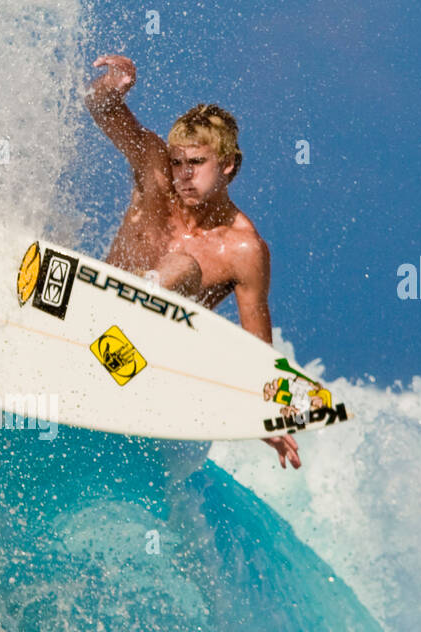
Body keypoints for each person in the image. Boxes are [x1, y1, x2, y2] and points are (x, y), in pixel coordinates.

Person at [85, 54, 300, 470]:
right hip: (91, 325)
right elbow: (99, 108)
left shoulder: (243, 249)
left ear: (228, 165)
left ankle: (122, 334)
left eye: (197, 163)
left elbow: (259, 348)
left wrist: (271, 414)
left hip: (144, 367)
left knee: (183, 266)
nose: (183, 174)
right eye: (179, 161)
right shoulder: (154, 169)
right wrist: (112, 88)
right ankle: (100, 331)